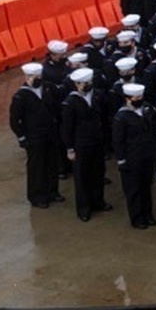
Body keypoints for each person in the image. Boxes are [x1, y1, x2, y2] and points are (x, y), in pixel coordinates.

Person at [61, 68, 112, 222]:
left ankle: (98, 201)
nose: (86, 85)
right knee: (82, 176)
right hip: (81, 144)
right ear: (76, 84)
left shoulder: (96, 96)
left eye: (88, 82)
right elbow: (66, 127)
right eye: (83, 83)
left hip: (97, 141)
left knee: (98, 172)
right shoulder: (71, 102)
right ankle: (84, 208)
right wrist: (70, 148)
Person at [9, 63, 63, 208]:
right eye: (31, 76)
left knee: (52, 163)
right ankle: (37, 195)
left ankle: (53, 191)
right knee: (37, 167)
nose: (35, 79)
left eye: (38, 76)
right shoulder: (21, 96)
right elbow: (14, 120)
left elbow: (56, 107)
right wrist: (21, 137)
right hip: (34, 136)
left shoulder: (48, 88)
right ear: (26, 77)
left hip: (50, 133)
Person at [112, 83, 156, 229]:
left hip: (147, 154)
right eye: (136, 98)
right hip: (132, 157)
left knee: (146, 186)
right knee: (133, 189)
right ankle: (137, 217)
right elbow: (118, 140)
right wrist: (121, 159)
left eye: (140, 97)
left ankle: (148, 214)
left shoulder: (146, 109)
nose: (139, 99)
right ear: (127, 98)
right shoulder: (121, 116)